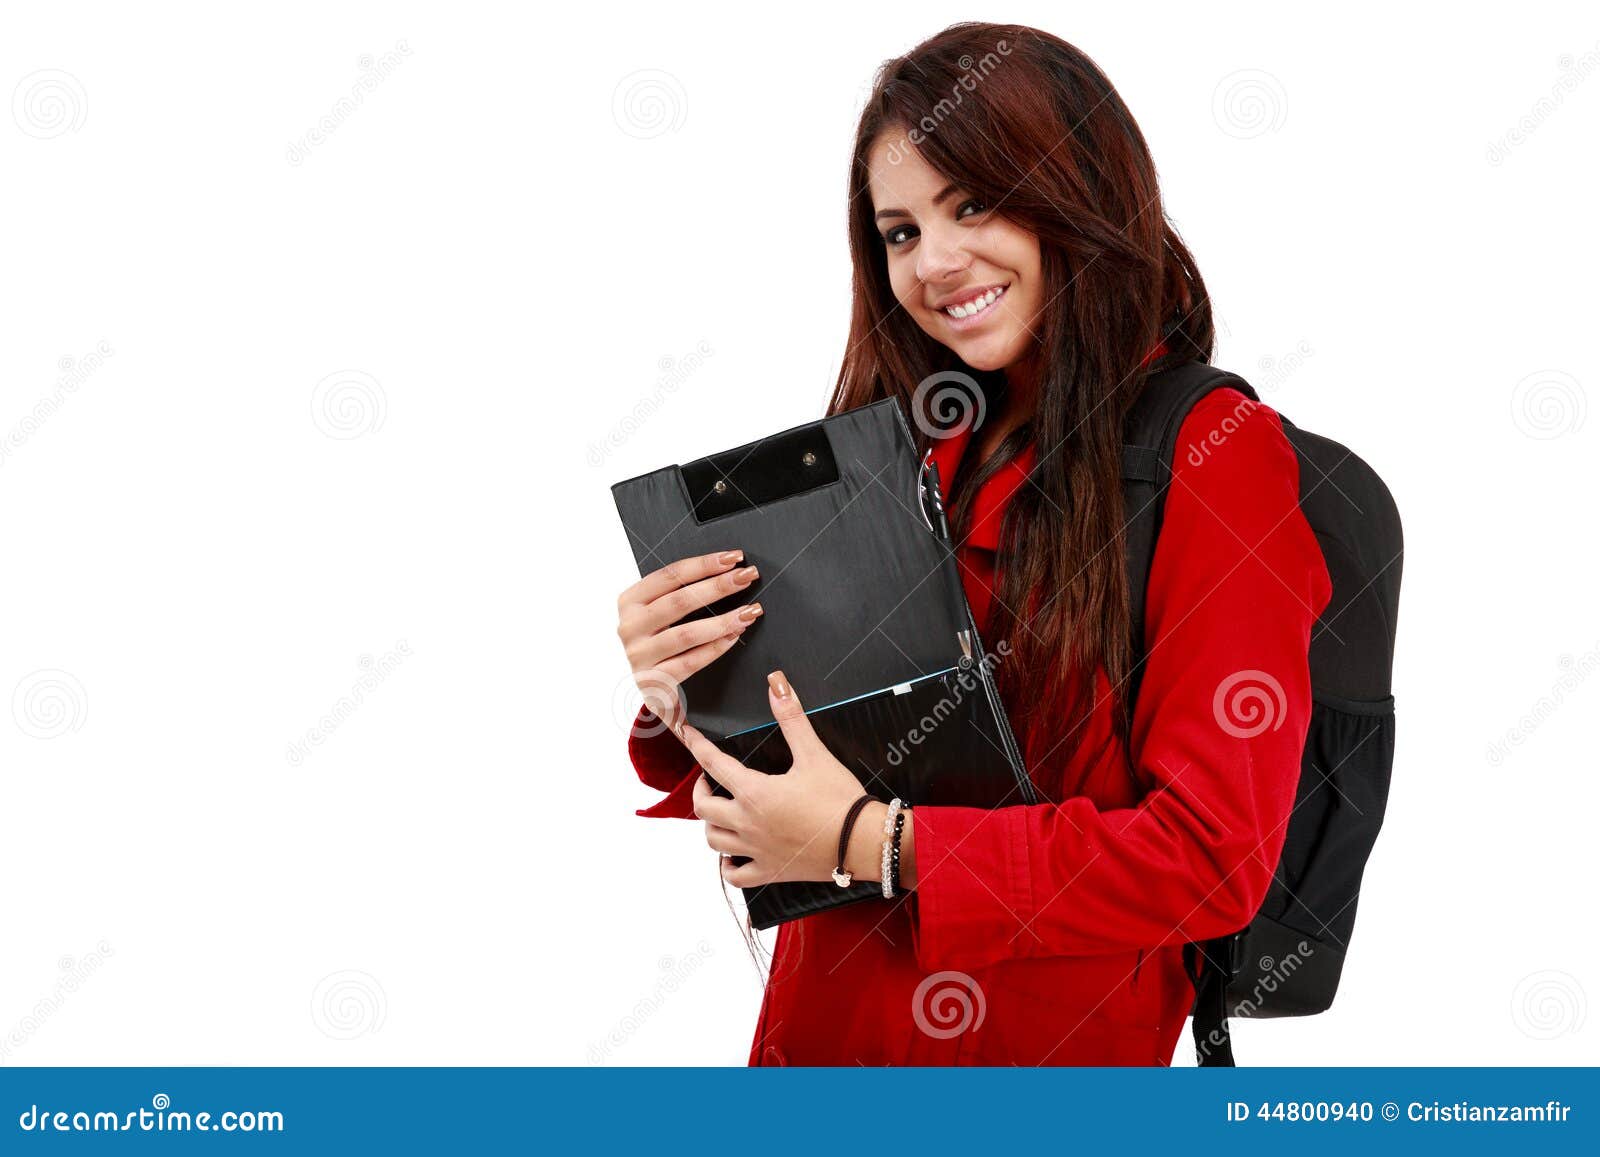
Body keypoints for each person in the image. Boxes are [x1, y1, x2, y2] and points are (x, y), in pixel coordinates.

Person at [613, 22, 1332, 1066]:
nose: (934, 263)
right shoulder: (912, 439)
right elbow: (820, 754)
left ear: (1080, 194)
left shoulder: (1213, 456)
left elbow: (1213, 856)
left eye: (974, 203)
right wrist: (684, 679)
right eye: (898, 232)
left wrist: (875, 843)